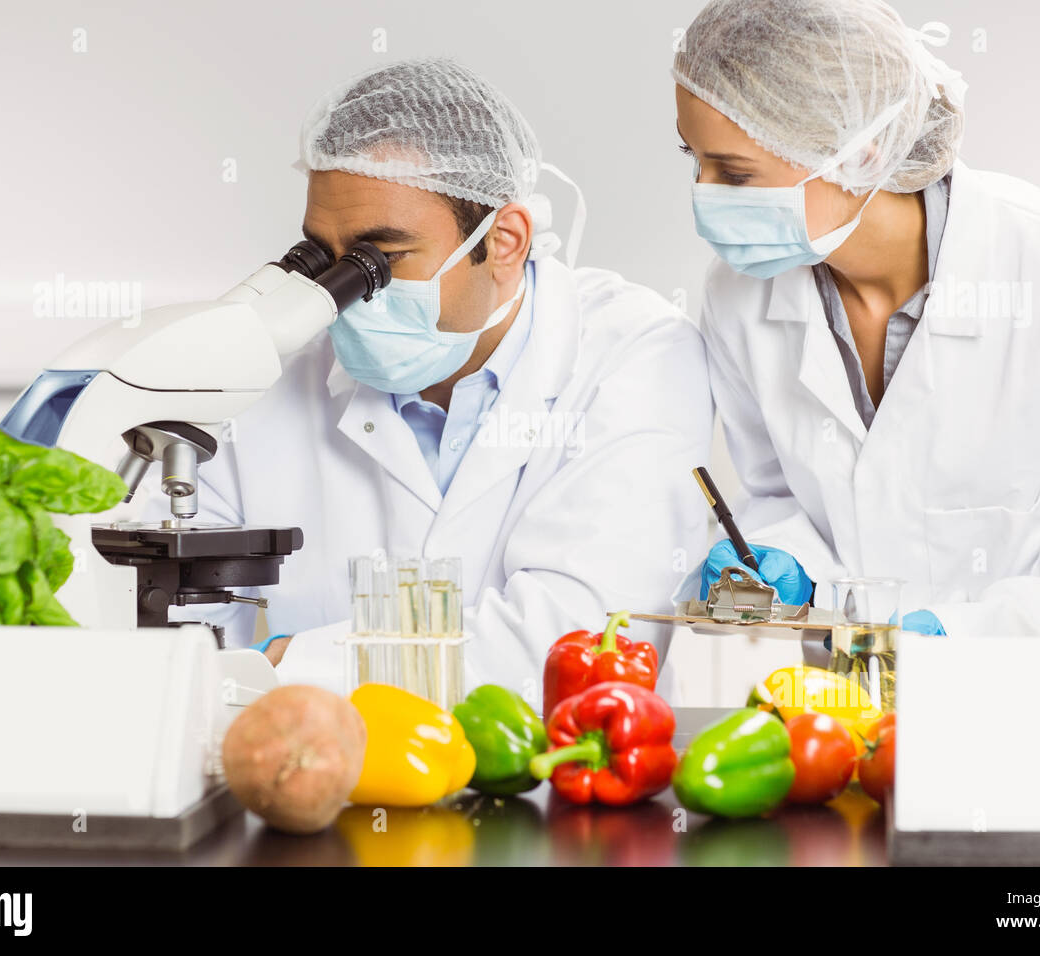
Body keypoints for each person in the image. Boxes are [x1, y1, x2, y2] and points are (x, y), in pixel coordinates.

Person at [156, 58, 713, 703]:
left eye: (381, 260)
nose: (343, 295)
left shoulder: (635, 350)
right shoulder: (270, 370)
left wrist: (283, 665)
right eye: (323, 257)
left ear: (504, 241)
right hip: (319, 777)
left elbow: (576, 645)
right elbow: (173, 645)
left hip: (554, 783)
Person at [674, 0, 1040, 636]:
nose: (702, 193)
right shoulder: (738, 294)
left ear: (862, 151)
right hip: (845, 701)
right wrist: (786, 563)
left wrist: (963, 639)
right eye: (692, 157)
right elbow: (779, 493)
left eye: (734, 173)